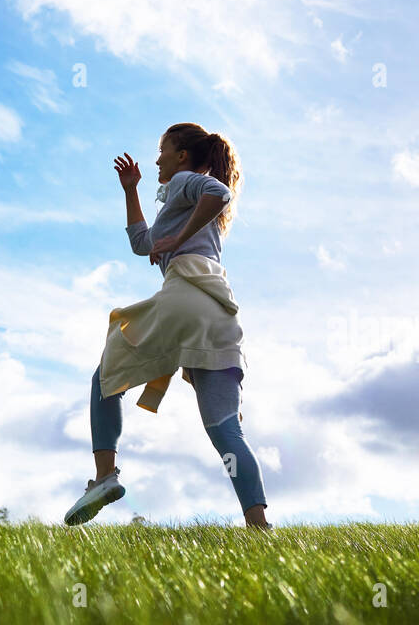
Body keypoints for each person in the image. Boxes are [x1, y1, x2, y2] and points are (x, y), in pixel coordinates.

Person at [64, 122, 268, 528]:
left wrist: (177, 241)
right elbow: (144, 244)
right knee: (226, 431)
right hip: (218, 311)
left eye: (163, 149)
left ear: (182, 156)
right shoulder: (177, 199)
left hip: (186, 291)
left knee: (106, 378)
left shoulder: (186, 182)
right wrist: (131, 190)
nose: (157, 158)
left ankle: (105, 478)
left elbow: (219, 193)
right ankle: (259, 527)